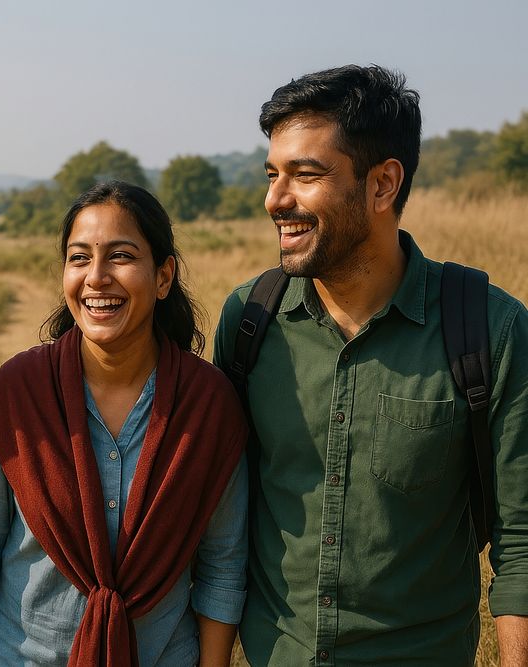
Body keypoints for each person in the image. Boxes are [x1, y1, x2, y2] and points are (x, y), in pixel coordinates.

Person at [213, 64, 528, 665]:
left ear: (383, 185)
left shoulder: (490, 330)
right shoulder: (249, 323)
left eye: (305, 175)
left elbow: (522, 544)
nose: (275, 200)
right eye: (272, 174)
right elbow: (221, 524)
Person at [0, 181, 248, 666]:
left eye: (121, 256)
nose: (97, 277)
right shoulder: (21, 393)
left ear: (163, 276)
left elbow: (222, 568)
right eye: (79, 257)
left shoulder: (206, 407)